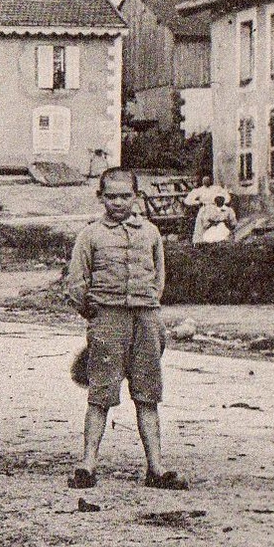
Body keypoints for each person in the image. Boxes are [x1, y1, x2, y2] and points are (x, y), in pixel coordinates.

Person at [64, 168, 188, 491]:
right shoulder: (90, 235)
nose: (118, 202)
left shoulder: (150, 233)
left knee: (148, 395)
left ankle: (156, 468)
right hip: (107, 318)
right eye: (111, 196)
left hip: (146, 318)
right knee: (100, 395)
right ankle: (87, 465)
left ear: (136, 196)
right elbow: (77, 282)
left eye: (125, 196)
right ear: (101, 197)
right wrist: (92, 312)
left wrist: (149, 307)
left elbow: (159, 276)